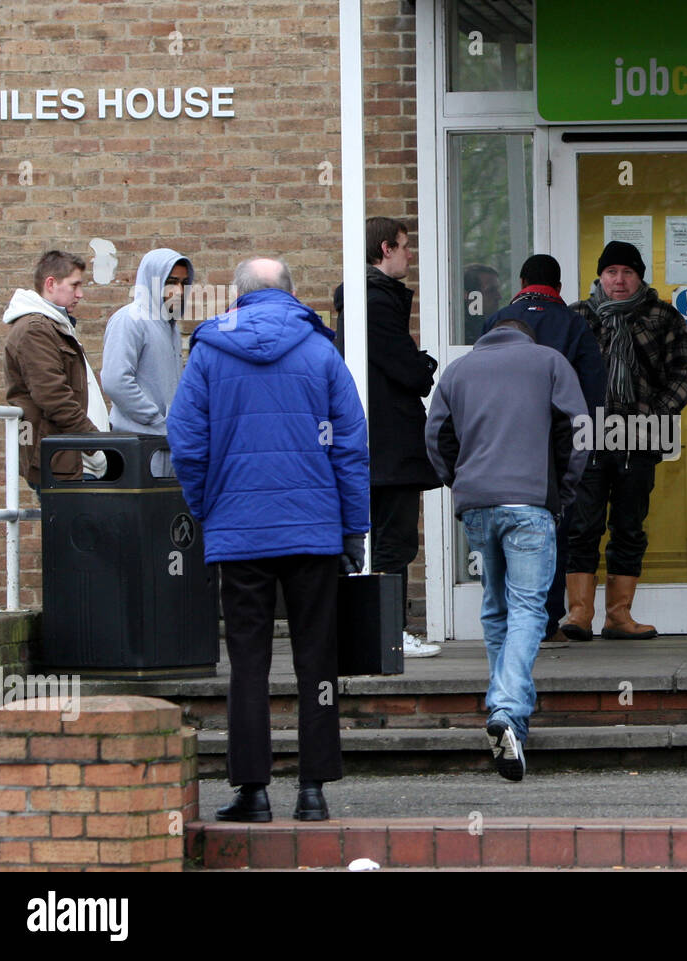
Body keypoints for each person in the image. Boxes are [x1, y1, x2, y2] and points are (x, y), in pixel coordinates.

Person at [167, 258, 370, 821]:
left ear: (237, 295)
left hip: (240, 533)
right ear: (292, 293)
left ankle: (252, 793)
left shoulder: (209, 351)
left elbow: (185, 441)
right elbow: (350, 447)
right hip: (313, 530)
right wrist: (352, 528)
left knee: (248, 663)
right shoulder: (321, 351)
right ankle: (313, 791)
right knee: (316, 660)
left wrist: (211, 508)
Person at [425, 318, 588, 780]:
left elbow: (437, 437)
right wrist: (563, 489)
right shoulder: (549, 362)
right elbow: (577, 432)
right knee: (529, 610)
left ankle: (511, 721)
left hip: (478, 505)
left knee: (497, 609)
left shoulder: (458, 371)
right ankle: (506, 709)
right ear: (525, 336)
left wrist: (459, 480)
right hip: (530, 505)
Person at [563, 241, 687, 640]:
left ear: (640, 277)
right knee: (582, 527)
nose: (619, 280)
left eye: (627, 272)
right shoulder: (579, 316)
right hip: (587, 440)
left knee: (628, 527)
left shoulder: (663, 316)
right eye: (611, 272)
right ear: (600, 277)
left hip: (639, 440)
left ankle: (619, 617)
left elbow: (686, 373)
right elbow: (558, 374)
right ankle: (579, 615)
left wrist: (654, 413)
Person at [481, 253, 607, 648]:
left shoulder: (496, 321)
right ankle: (546, 621)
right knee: (553, 531)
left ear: (521, 282)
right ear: (560, 288)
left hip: (498, 443)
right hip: (552, 447)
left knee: (499, 535)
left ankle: (503, 621)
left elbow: (476, 379)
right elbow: (593, 389)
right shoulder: (573, 324)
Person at [333, 216, 442, 658]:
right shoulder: (374, 304)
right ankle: (390, 634)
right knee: (393, 541)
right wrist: (426, 365)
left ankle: (379, 632)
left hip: (378, 444)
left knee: (381, 538)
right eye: (404, 245)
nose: (409, 254)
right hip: (387, 445)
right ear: (384, 249)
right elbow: (411, 371)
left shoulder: (369, 300)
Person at [3, 250, 107, 493]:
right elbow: (54, 397)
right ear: (51, 283)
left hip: (76, 458)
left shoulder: (54, 325)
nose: (80, 294)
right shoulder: (35, 329)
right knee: (76, 531)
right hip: (66, 461)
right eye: (74, 285)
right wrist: (97, 444)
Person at [101, 248, 195, 478]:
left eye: (184, 283)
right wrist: (155, 419)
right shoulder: (130, 319)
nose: (179, 291)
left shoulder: (169, 327)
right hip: (136, 447)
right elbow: (115, 381)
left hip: (162, 444)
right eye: (171, 282)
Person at [462, 263, 502, 345]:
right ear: (469, 295)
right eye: (491, 291)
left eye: (497, 290)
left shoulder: (494, 324)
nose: (498, 296)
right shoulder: (458, 332)